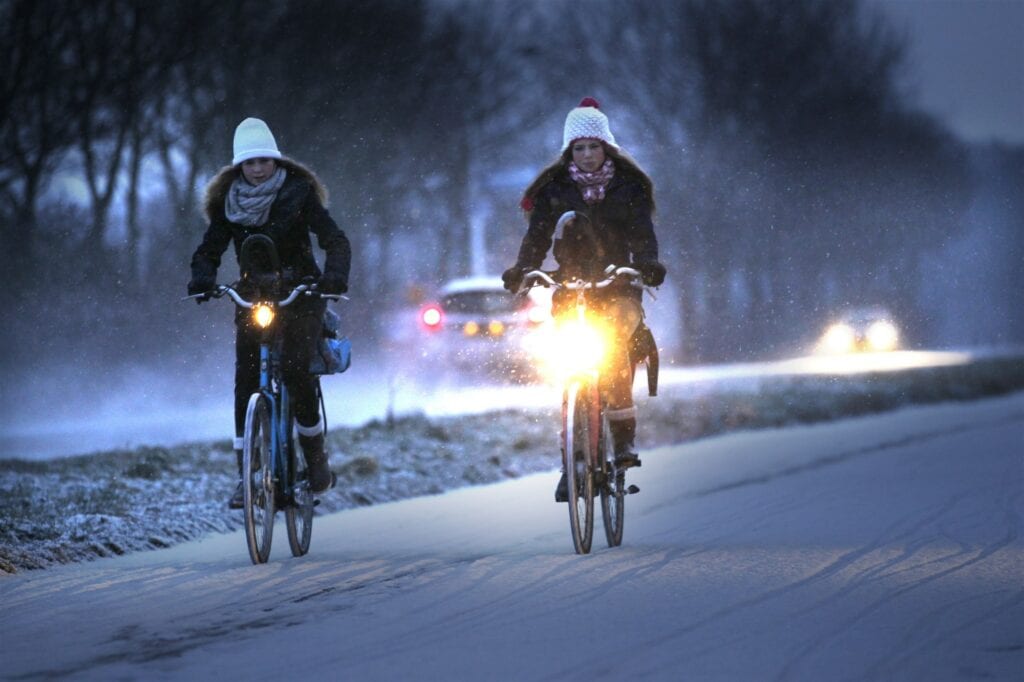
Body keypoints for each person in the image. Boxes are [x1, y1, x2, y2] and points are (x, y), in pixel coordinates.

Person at [501, 97, 666, 503]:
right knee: (569, 367)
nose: (587, 154)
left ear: (606, 147)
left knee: (612, 355)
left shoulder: (628, 188)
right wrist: (523, 268)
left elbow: (643, 234)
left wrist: (646, 264)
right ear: (568, 152)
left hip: (617, 286)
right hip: (571, 288)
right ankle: (572, 460)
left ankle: (623, 443)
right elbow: (538, 236)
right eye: (579, 148)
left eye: (594, 146)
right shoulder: (553, 191)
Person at [188, 117, 351, 508]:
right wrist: (203, 279)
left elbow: (335, 240)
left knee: (296, 369)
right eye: (250, 162)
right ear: (238, 167)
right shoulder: (228, 204)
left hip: (302, 293)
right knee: (245, 377)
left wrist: (333, 278)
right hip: (254, 296)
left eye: (264, 160)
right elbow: (209, 249)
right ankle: (246, 473)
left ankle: (315, 462)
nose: (258, 168)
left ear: (276, 161)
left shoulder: (299, 194)